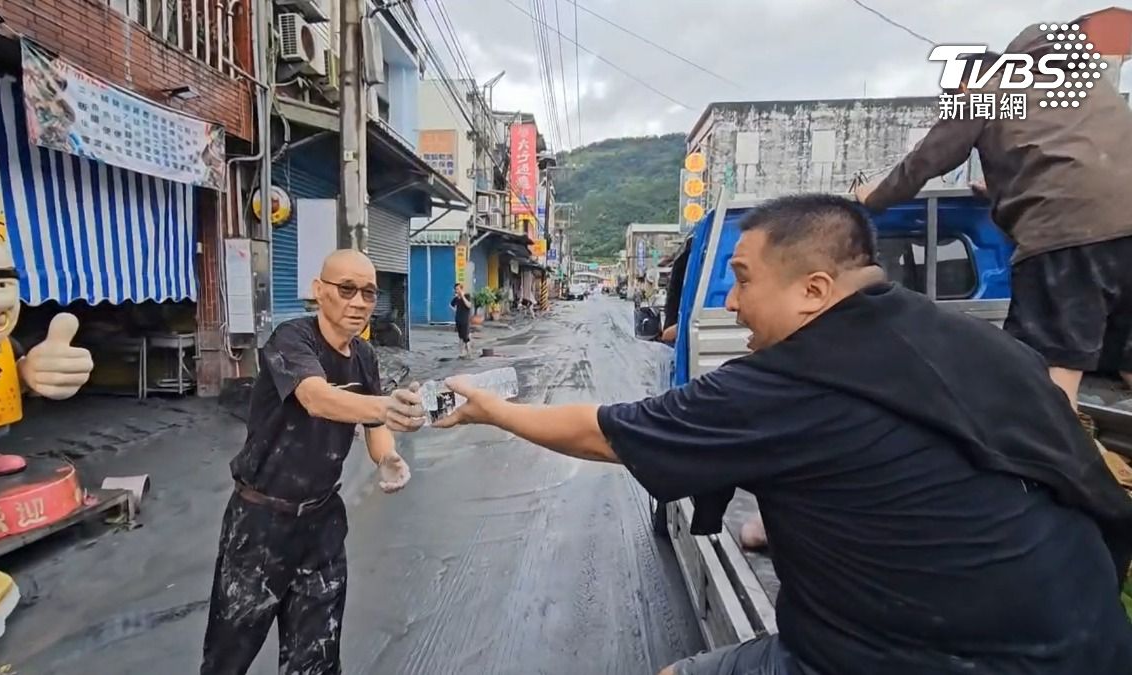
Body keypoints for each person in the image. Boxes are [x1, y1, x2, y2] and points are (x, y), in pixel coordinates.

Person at [433, 194, 1132, 675]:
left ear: (814, 290)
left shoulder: (786, 385)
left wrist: (490, 407)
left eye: (740, 279)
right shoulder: (976, 342)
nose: (730, 302)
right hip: (1091, 640)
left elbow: (602, 433)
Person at [855, 23, 1132, 414]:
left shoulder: (991, 88)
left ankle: (1060, 472)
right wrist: (1007, 187)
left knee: (1052, 370)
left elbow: (930, 157)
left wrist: (876, 196)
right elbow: (1075, 160)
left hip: (1065, 239)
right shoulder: (1099, 91)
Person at [201, 249, 426, 675]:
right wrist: (385, 407)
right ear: (319, 291)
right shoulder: (292, 339)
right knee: (227, 657)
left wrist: (388, 456)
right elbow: (316, 397)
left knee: (318, 659)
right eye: (346, 289)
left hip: (322, 524)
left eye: (368, 293)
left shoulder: (364, 356)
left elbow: (373, 419)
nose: (358, 302)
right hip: (260, 522)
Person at [450, 283, 472, 358]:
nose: (456, 291)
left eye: (458, 289)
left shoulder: (467, 296)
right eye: (455, 289)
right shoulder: (456, 298)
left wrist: (462, 297)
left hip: (465, 319)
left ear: (461, 289)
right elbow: (450, 305)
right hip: (458, 319)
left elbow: (469, 305)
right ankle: (462, 352)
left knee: (465, 336)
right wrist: (455, 310)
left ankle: (468, 352)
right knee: (460, 336)